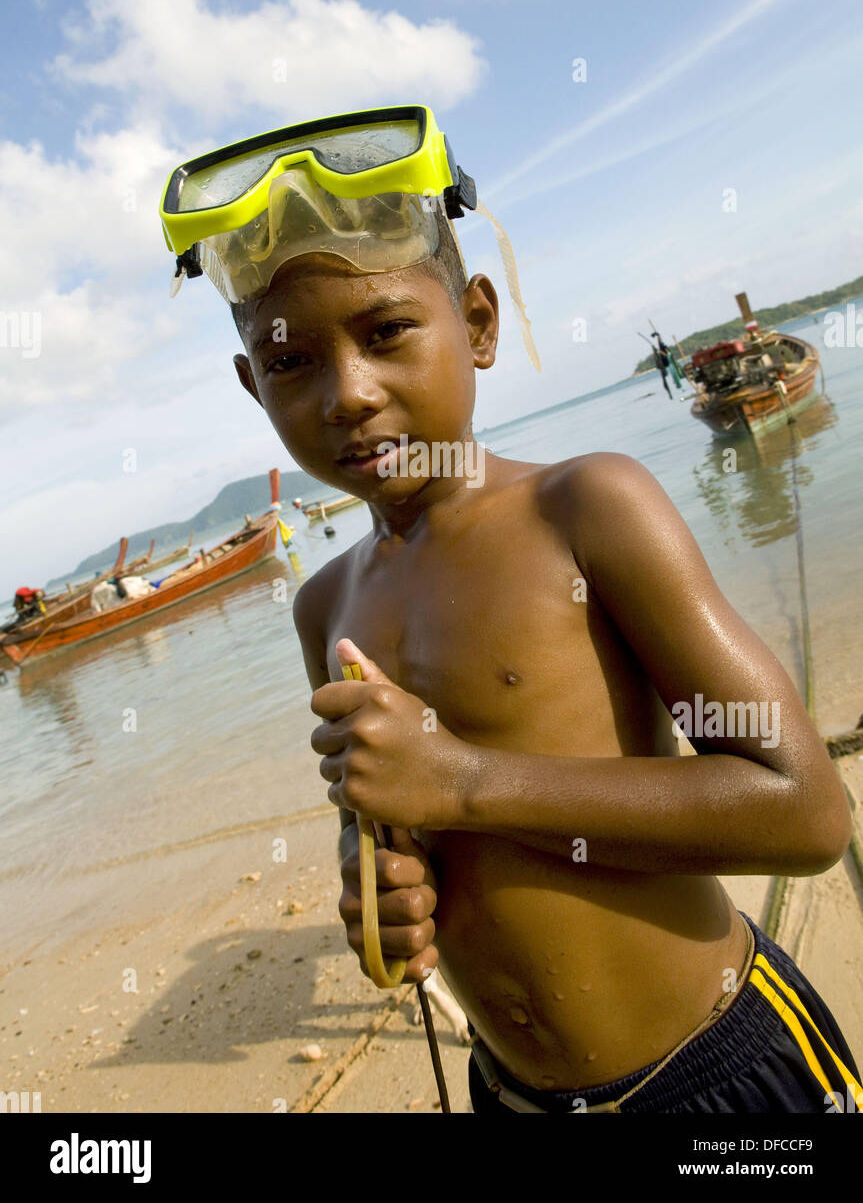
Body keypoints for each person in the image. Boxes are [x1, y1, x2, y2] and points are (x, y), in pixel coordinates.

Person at [159, 104, 861, 1114]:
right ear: (250, 385)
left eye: (387, 331)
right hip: (513, 1094)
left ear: (477, 324)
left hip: (709, 1073)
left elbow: (801, 807)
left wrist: (463, 780)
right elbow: (385, 827)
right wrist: (378, 903)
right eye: (291, 362)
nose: (348, 392)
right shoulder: (325, 604)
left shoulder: (583, 506)